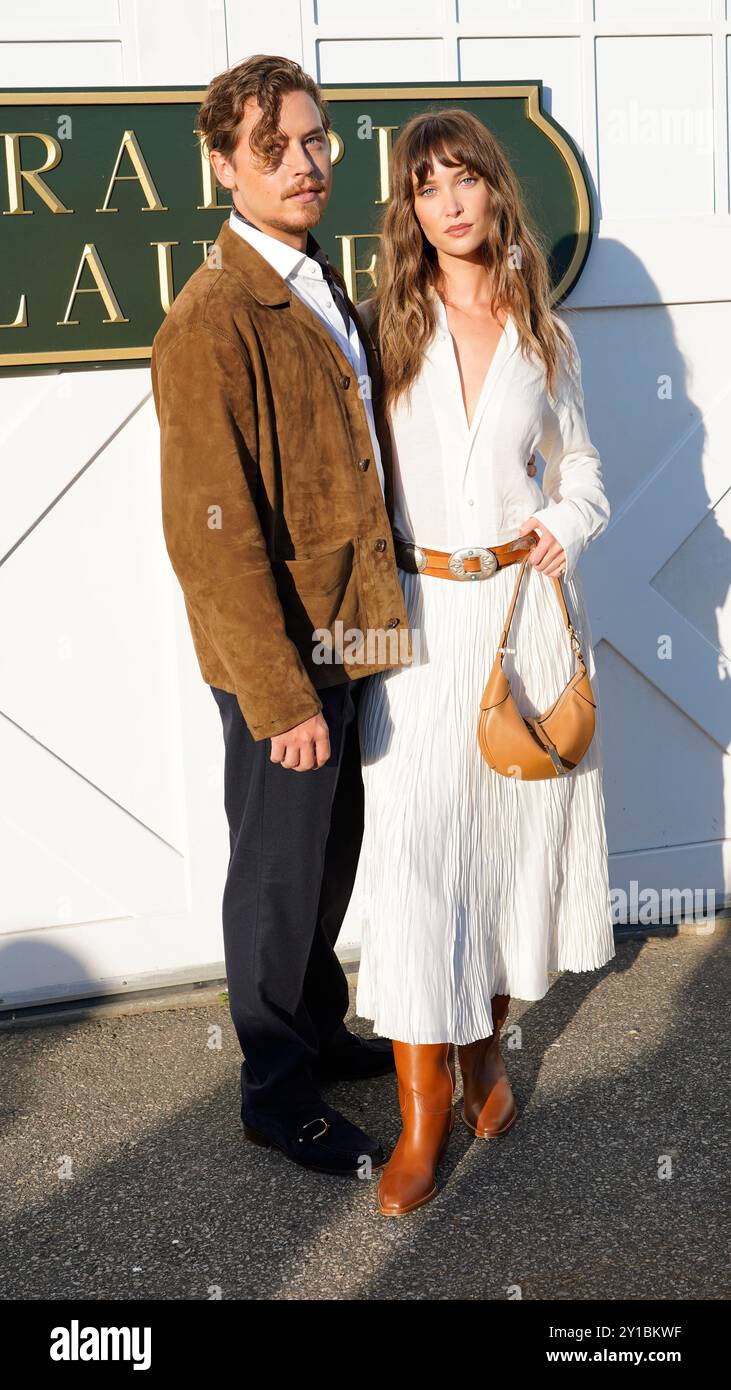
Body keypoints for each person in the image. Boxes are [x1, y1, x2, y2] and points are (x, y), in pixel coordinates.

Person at [150, 55, 414, 1176]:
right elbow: (209, 536)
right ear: (223, 165)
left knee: (329, 852)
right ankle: (275, 1088)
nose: (306, 165)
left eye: (315, 141)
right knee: (275, 868)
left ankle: (314, 1026)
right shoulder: (213, 316)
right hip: (284, 652)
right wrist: (276, 693)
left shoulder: (316, 277)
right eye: (276, 148)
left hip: (348, 625)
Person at [351, 108, 615, 1215]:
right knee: (416, 861)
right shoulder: (379, 326)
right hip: (414, 623)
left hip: (519, 615)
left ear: (493, 192)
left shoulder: (542, 333)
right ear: (407, 211)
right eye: (426, 187)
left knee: (504, 851)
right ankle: (416, 1125)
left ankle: (484, 1058)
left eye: (463, 179)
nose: (448, 202)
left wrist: (569, 518)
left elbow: (583, 466)